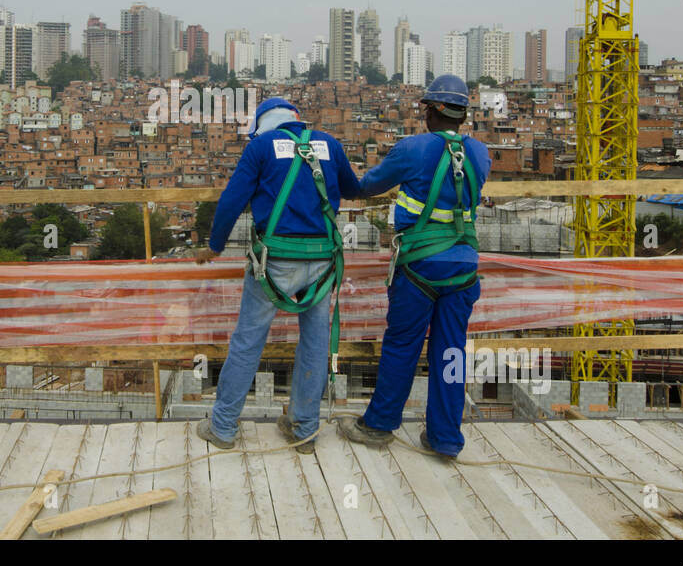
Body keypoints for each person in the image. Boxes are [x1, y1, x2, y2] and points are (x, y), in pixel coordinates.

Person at [195, 98, 361, 453]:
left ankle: (223, 427)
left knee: (248, 341)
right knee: (315, 344)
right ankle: (305, 430)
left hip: (273, 263)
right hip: (320, 261)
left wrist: (215, 246)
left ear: (264, 126)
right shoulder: (329, 144)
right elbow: (351, 187)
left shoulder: (260, 147)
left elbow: (230, 201)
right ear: (297, 121)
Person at [338, 75, 490, 460]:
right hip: (463, 266)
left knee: (402, 345)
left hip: (420, 266)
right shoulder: (481, 154)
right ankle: (445, 438)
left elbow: (367, 186)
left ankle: (380, 424)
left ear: (432, 110)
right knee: (451, 351)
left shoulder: (413, 148)